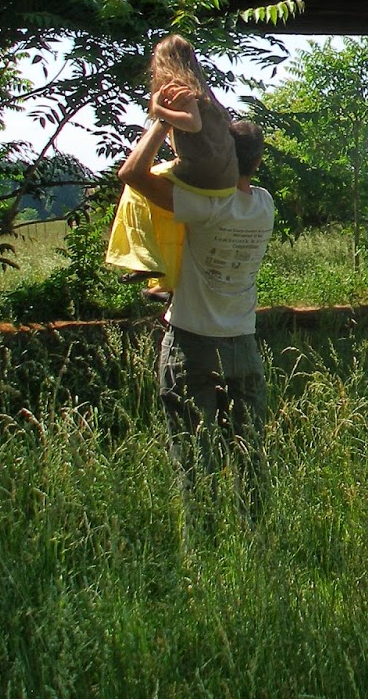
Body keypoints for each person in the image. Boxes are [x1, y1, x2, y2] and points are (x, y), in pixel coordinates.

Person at [117, 111, 275, 535]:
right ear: (257, 162)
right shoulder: (263, 205)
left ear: (220, 153)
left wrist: (164, 122)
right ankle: (256, 546)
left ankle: (202, 555)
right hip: (243, 345)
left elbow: (132, 173)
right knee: (249, 457)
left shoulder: (205, 206)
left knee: (194, 459)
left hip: (191, 346)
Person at [105, 34, 238, 295]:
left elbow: (192, 124)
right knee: (163, 206)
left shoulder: (179, 89)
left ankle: (142, 259)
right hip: (225, 179)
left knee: (135, 186)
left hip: (198, 174)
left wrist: (159, 111)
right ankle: (165, 279)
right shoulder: (206, 95)